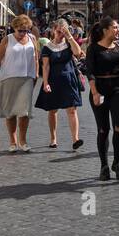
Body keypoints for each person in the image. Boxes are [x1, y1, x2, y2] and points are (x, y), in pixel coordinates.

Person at [85, 15, 119, 181]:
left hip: (118, 90)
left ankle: (117, 163)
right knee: (103, 129)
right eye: (115, 27)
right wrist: (95, 92)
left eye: (118, 27)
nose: (118, 29)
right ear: (105, 30)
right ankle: (104, 165)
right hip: (100, 91)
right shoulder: (93, 49)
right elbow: (89, 71)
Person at [0, 15, 39, 153]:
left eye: (25, 30)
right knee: (10, 111)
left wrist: (36, 73)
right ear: (14, 28)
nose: (22, 33)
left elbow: (36, 58)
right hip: (9, 78)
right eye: (20, 30)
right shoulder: (8, 39)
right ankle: (13, 141)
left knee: (25, 112)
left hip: (27, 78)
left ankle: (23, 140)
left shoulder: (32, 39)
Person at [36, 19, 84, 151]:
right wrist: (45, 83)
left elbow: (78, 53)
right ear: (53, 30)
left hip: (69, 80)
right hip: (53, 80)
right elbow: (45, 67)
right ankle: (53, 138)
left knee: (72, 110)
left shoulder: (69, 44)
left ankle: (75, 139)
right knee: (53, 110)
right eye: (59, 31)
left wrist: (69, 36)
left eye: (64, 31)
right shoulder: (47, 47)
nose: (61, 34)